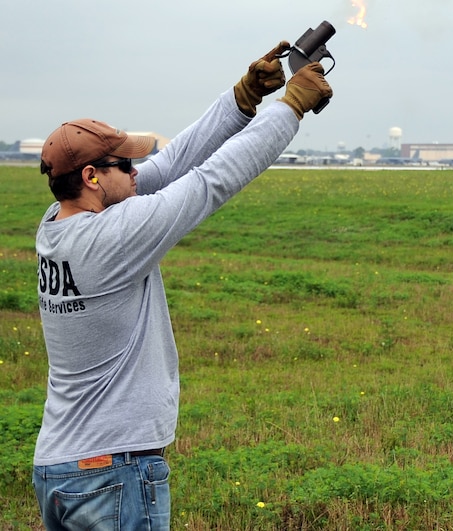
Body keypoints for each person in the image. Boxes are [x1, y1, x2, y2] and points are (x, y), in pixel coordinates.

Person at [32, 41, 333, 529]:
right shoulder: (114, 236)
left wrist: (242, 99)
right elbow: (210, 181)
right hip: (113, 470)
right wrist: (291, 106)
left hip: (61, 469)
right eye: (124, 165)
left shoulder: (56, 223)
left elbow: (172, 167)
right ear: (90, 176)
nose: (135, 171)